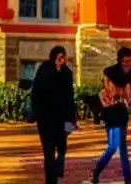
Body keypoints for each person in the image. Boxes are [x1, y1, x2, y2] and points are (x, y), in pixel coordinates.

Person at [91, 47, 131, 184]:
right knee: (113, 147)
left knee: (122, 148)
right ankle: (96, 171)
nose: (129, 64)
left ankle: (127, 180)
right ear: (120, 61)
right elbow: (105, 95)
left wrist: (130, 100)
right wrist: (117, 99)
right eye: (126, 61)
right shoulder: (110, 73)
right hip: (111, 114)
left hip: (122, 116)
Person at [30, 45, 76, 184]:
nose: (61, 60)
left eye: (63, 57)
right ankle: (51, 180)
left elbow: (69, 97)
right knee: (48, 151)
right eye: (59, 57)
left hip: (63, 119)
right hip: (46, 119)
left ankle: (56, 172)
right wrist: (36, 113)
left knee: (62, 149)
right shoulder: (45, 70)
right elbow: (36, 92)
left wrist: (72, 119)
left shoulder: (66, 73)